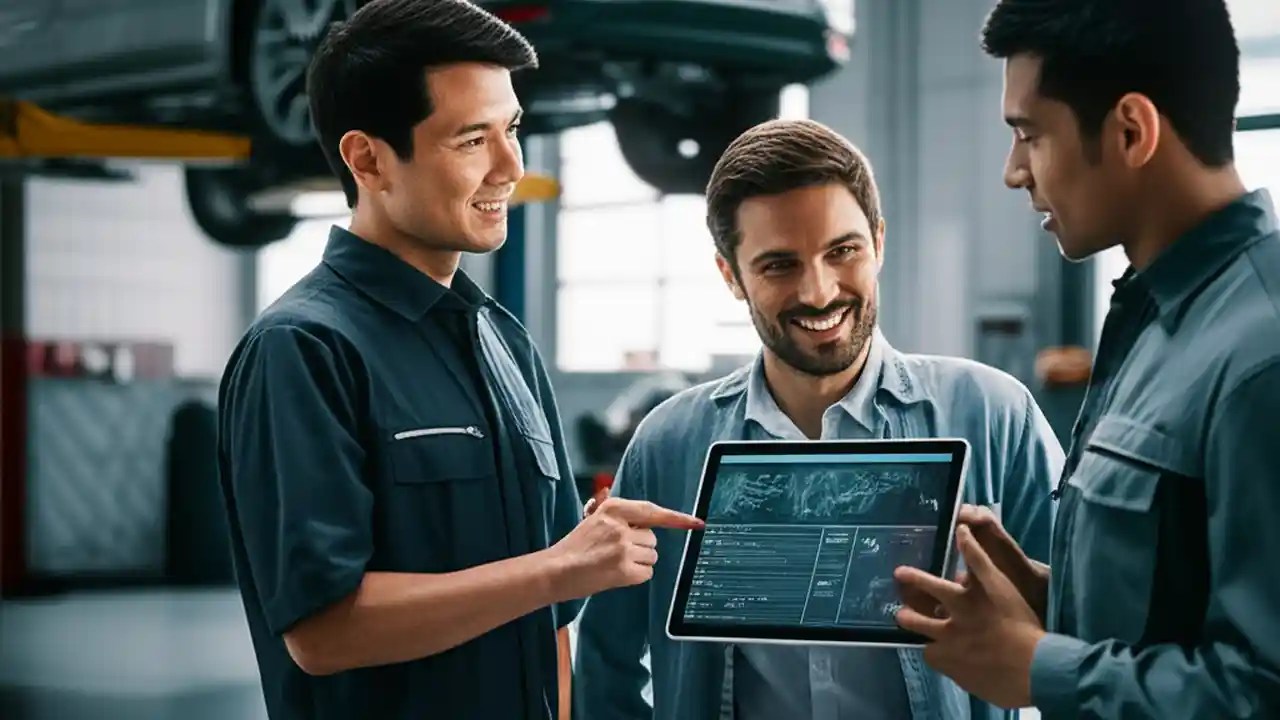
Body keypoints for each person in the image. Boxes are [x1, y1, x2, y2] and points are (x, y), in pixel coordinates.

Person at [215, 1, 702, 719]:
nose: (511, 166)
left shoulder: (505, 341)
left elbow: (552, 620)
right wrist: (556, 568)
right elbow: (323, 630)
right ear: (368, 158)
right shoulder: (302, 351)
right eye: (472, 139)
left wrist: (564, 572)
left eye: (512, 130)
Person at [573, 118, 1063, 720]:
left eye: (843, 251)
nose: (819, 291)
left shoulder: (993, 414)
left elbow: (1081, 626)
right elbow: (607, 663)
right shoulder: (668, 443)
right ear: (731, 275)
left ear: (878, 243)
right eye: (779, 265)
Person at [894, 1, 1280, 718]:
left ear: (1132, 130)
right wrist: (1042, 596)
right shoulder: (1153, 319)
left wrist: (1039, 668)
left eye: (1029, 135)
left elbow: (1262, 690)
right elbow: (1172, 615)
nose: (1015, 172)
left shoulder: (1263, 354)